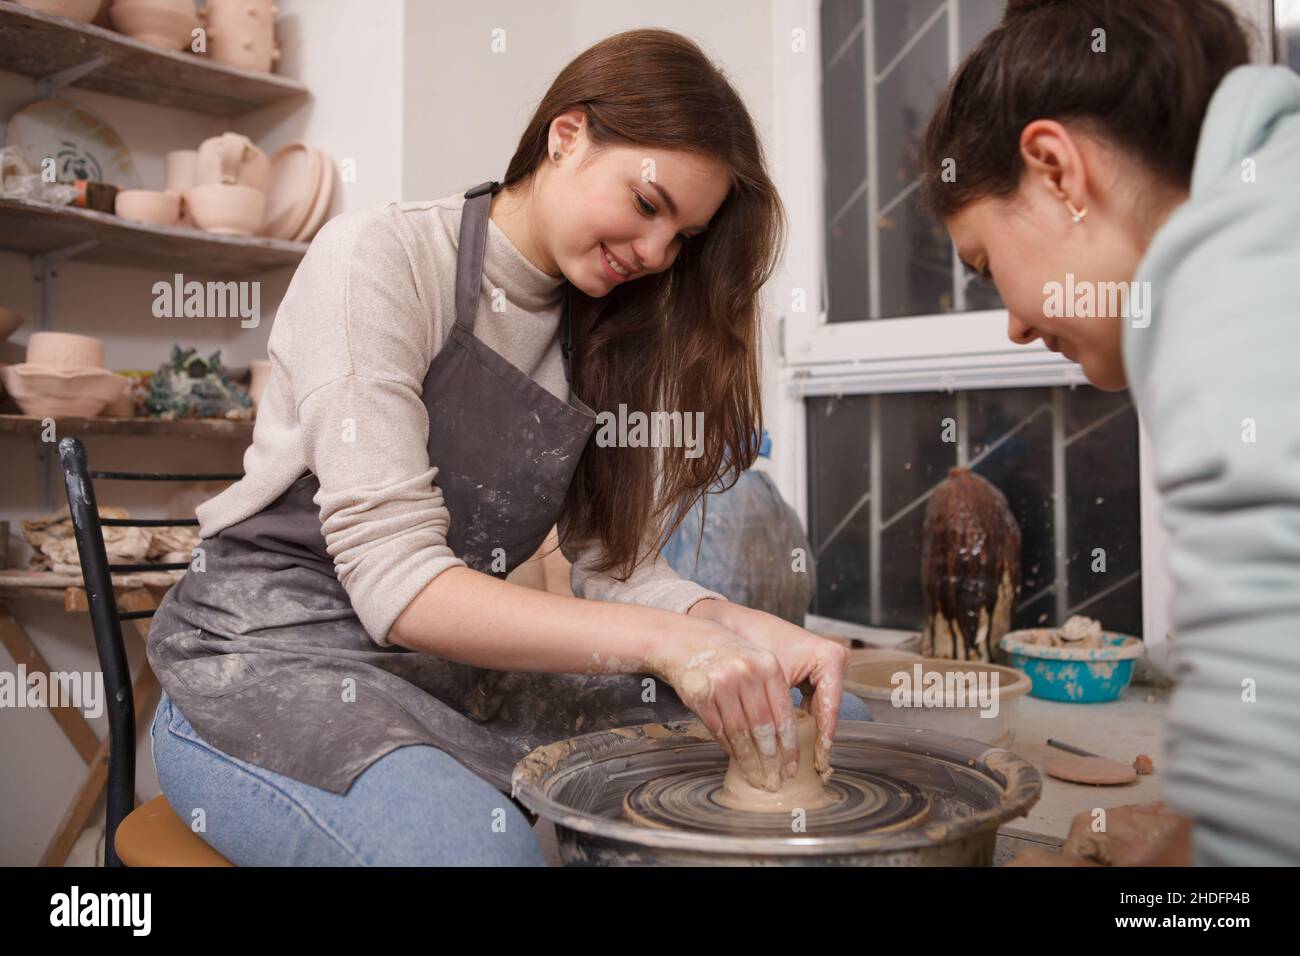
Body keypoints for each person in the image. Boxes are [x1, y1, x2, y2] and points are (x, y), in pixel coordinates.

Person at [147, 28, 852, 866]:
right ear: (568, 135)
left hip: (446, 675)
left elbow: (619, 574)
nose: (658, 253)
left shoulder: (610, 332)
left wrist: (737, 629)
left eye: (684, 238)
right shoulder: (380, 257)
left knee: (801, 729)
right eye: (648, 204)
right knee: (484, 857)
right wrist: (673, 645)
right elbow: (398, 585)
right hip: (262, 670)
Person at [922, 0, 1300, 864]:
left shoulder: (1234, 276)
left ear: (1056, 171)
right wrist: (1182, 836)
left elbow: (1263, 844)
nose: (1014, 325)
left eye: (985, 268)